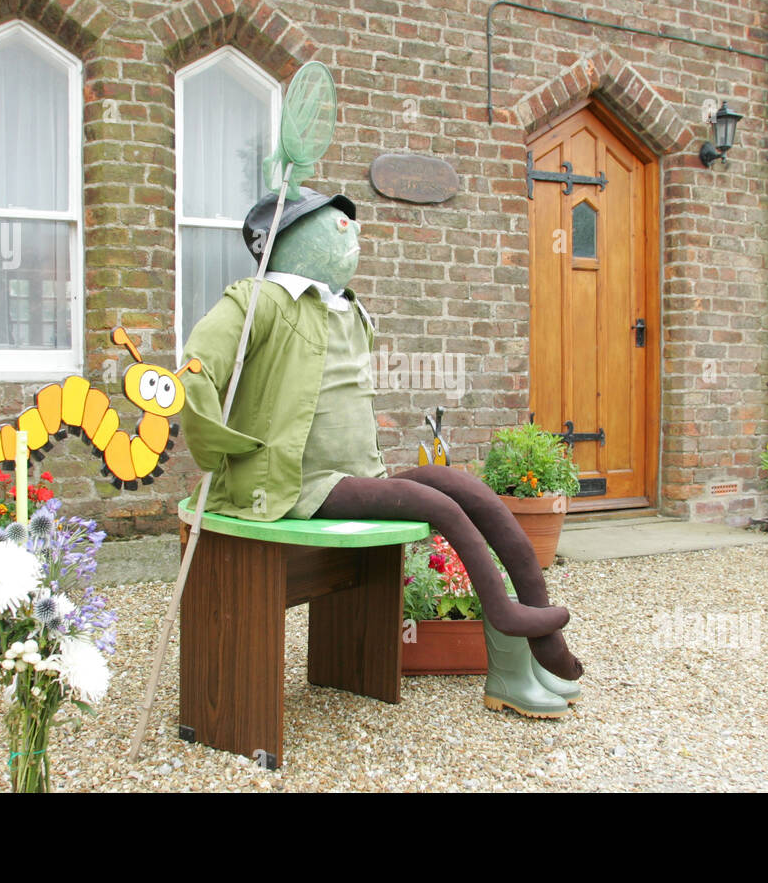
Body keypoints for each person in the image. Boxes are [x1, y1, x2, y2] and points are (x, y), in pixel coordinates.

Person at [177, 188, 583, 690]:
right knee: (437, 506)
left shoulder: (348, 309)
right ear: (288, 239)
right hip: (292, 484)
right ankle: (503, 614)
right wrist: (224, 449)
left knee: (469, 491)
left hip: (357, 475)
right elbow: (196, 373)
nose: (349, 232)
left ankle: (546, 641)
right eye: (334, 224)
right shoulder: (259, 302)